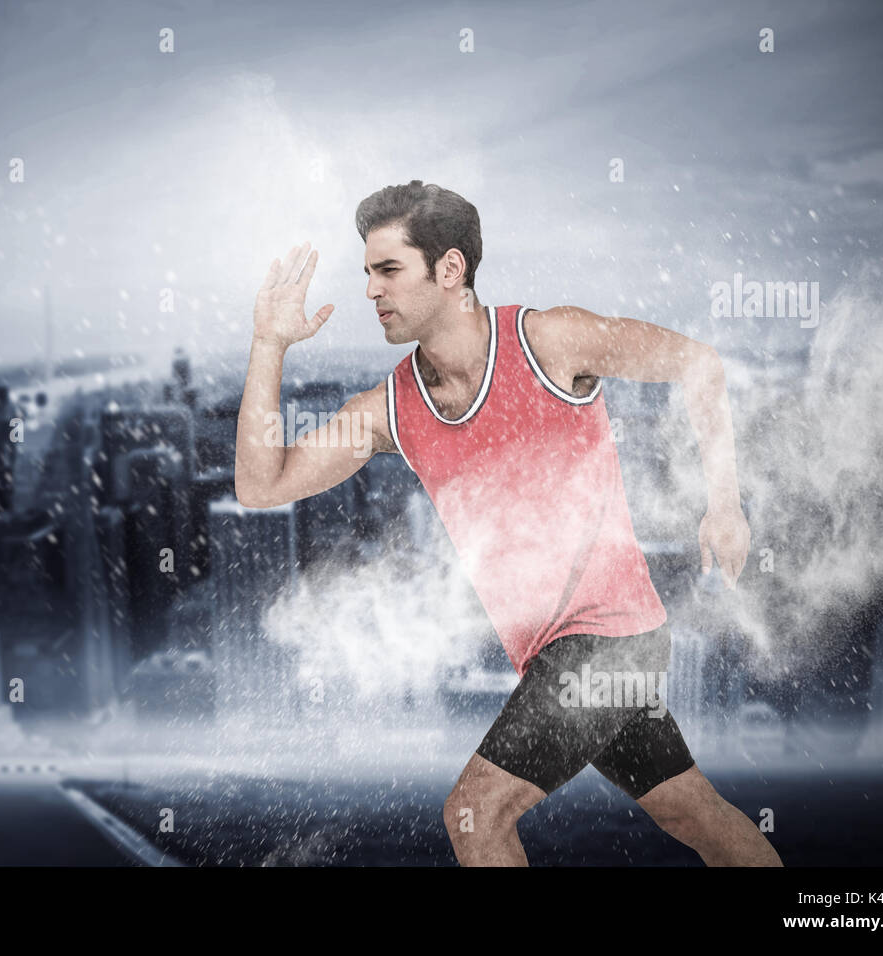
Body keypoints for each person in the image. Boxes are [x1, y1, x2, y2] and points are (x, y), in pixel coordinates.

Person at [235, 179, 782, 867]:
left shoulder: (549, 342)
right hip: (554, 658)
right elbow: (262, 485)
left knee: (474, 813)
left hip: (611, 642)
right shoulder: (391, 410)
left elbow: (697, 363)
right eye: (367, 272)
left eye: (389, 270)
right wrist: (268, 343)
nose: (371, 290)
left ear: (451, 269)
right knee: (693, 812)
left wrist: (725, 504)